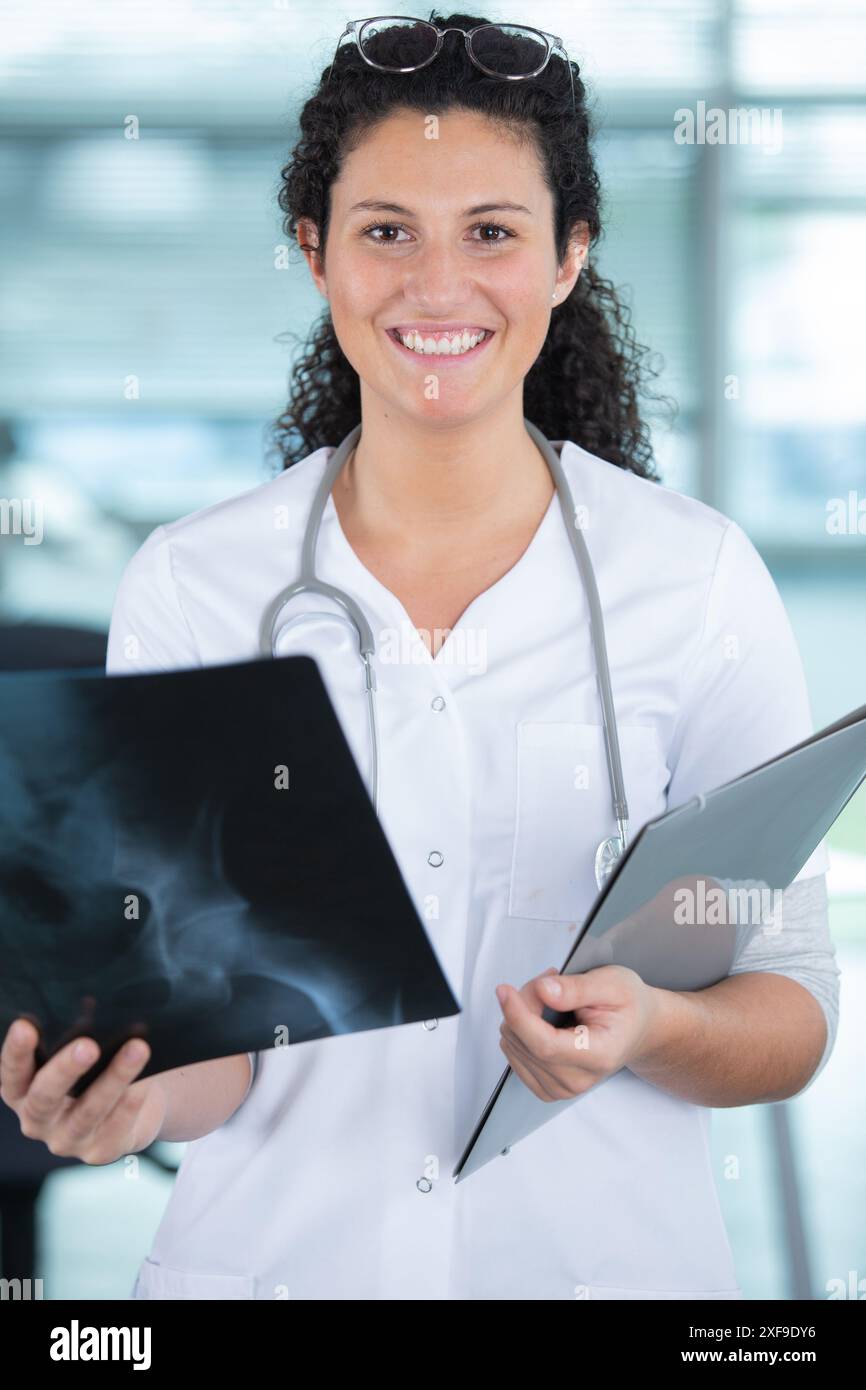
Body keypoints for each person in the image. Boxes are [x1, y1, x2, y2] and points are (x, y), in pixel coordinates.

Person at [0, 12, 840, 1300]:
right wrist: (125, 1106)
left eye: (492, 233)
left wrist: (655, 1030)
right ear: (316, 254)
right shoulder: (196, 584)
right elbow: (207, 1046)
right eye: (386, 230)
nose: (436, 288)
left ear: (569, 259)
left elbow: (788, 1012)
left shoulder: (697, 577)